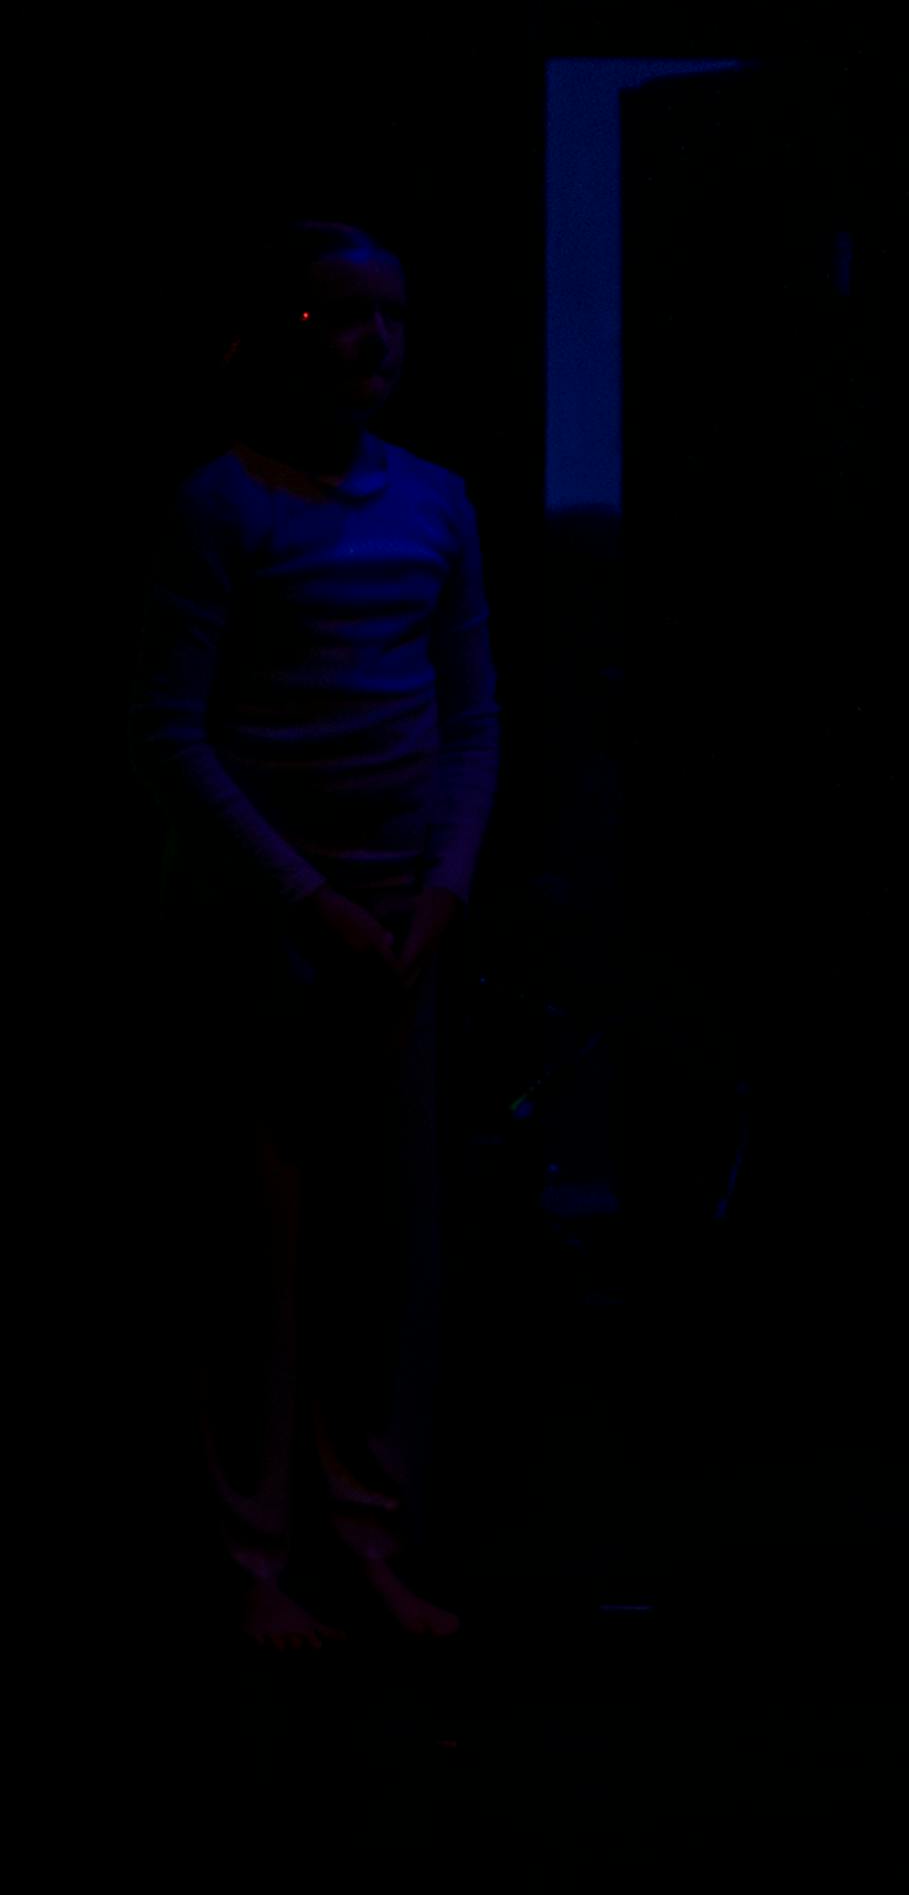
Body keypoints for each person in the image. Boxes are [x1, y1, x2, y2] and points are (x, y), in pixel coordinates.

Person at [140, 219, 499, 1649]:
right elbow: (169, 728)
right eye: (347, 316)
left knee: (381, 1255)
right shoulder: (223, 505)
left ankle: (364, 1534)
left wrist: (443, 887)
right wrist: (308, 899)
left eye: (395, 317)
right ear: (288, 327)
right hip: (272, 938)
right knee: (260, 1258)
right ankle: (249, 1556)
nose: (377, 343)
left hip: (397, 931)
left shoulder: (439, 502)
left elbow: (472, 707)